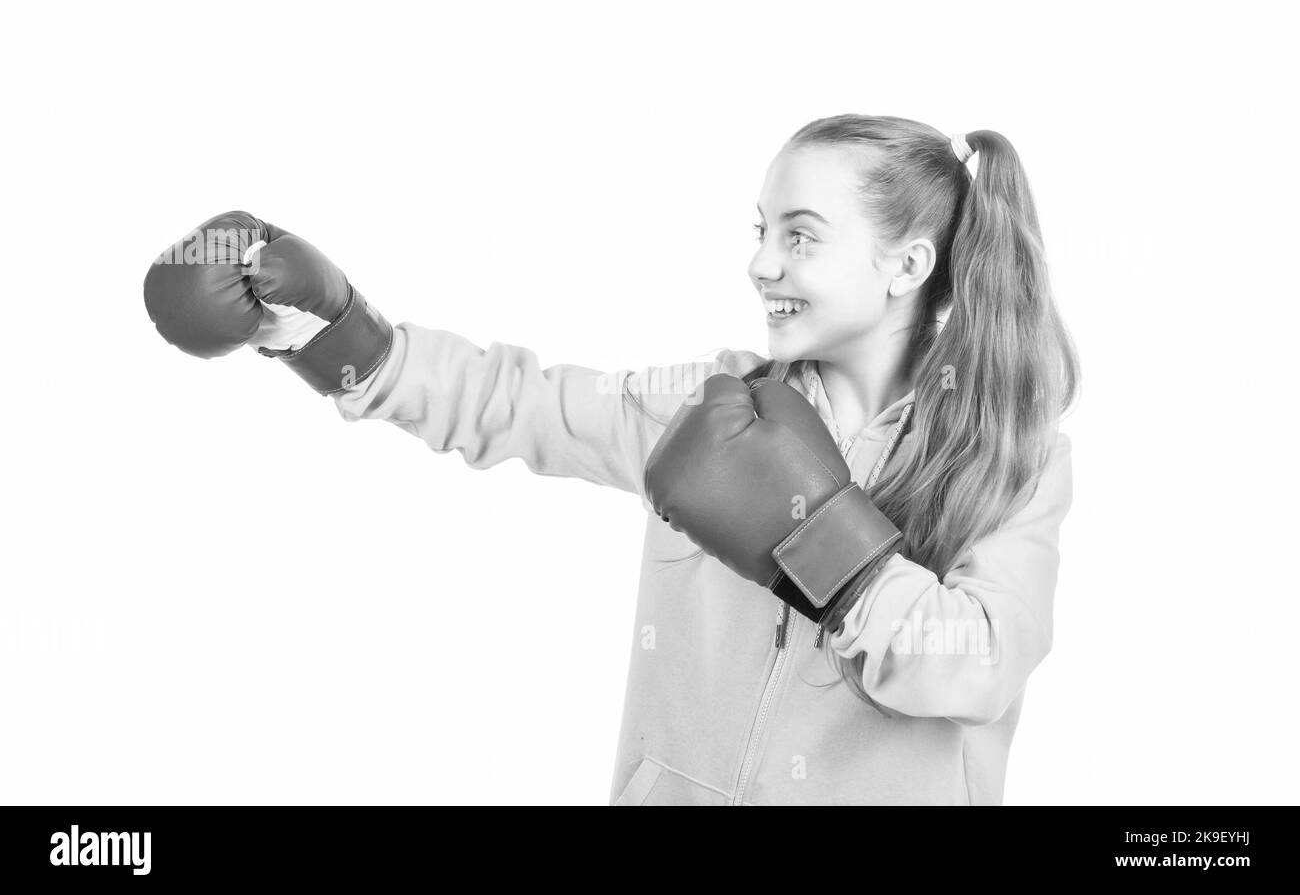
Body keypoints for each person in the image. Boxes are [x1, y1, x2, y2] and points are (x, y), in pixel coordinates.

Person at [144, 113, 1078, 805]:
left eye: (801, 236)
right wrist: (327, 330)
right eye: (761, 231)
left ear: (907, 266)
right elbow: (519, 404)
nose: (762, 265)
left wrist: (825, 541)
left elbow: (980, 661)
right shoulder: (715, 405)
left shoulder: (1008, 457)